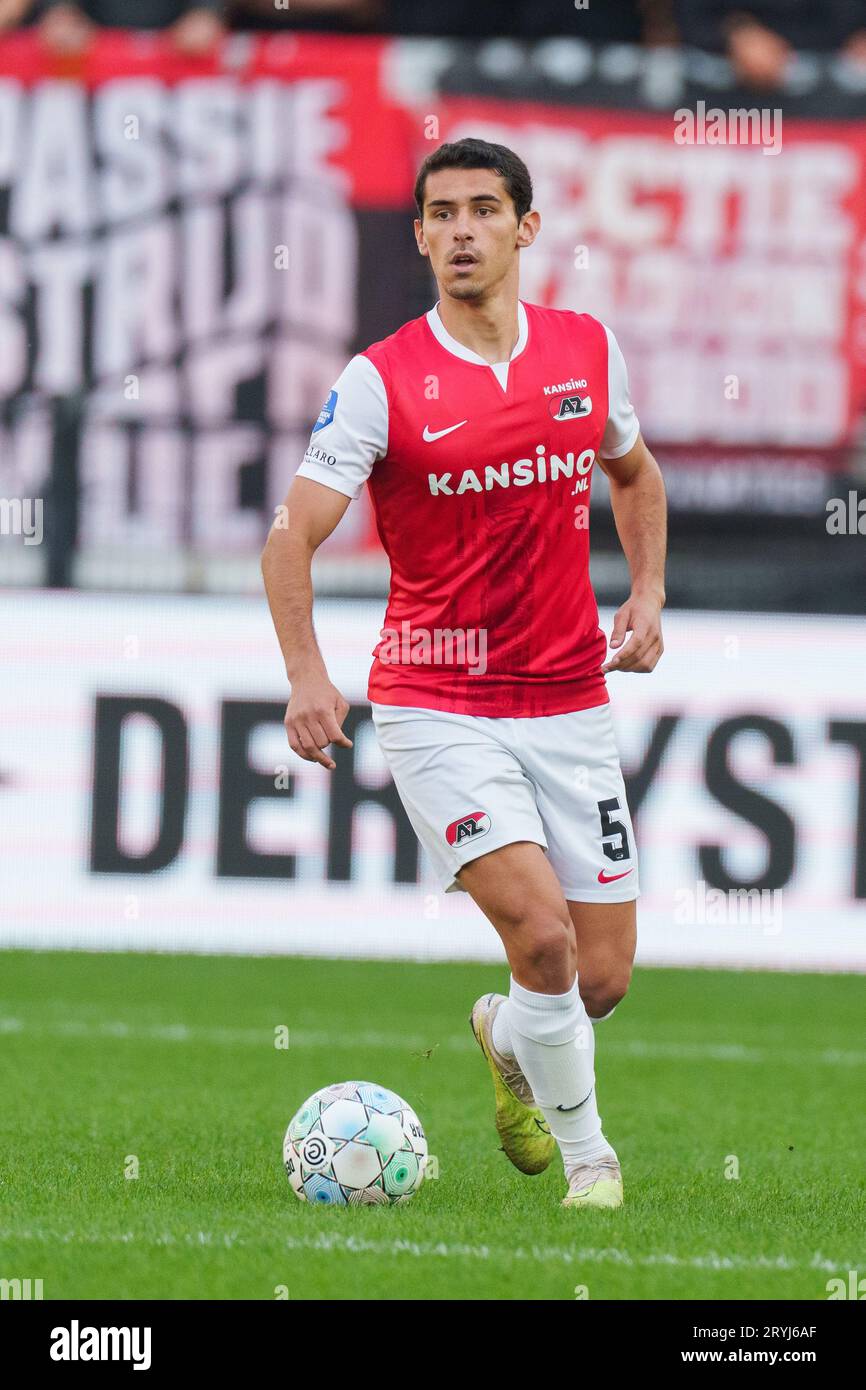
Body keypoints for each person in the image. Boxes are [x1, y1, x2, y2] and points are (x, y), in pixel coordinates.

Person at [261, 137, 667, 1210]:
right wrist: (309, 674)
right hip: (435, 701)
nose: (460, 232)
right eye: (439, 214)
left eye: (483, 211)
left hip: (569, 695)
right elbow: (287, 539)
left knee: (598, 979)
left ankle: (504, 1035)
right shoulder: (381, 379)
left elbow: (635, 474)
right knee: (540, 937)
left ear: (525, 229)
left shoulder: (584, 351)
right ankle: (592, 1164)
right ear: (420, 235)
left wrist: (648, 592)